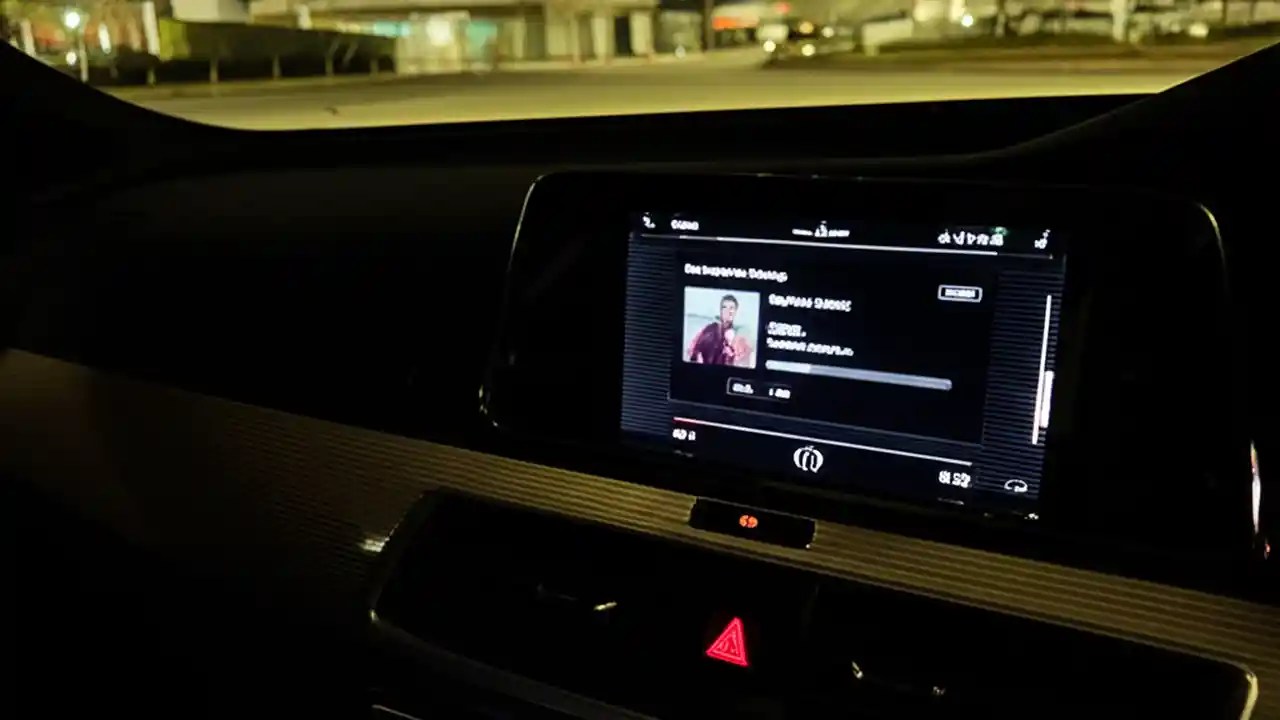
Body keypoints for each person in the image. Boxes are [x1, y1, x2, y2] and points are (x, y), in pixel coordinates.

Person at [688, 294, 753, 367]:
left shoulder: (740, 335)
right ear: (720, 310)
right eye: (724, 307)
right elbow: (695, 350)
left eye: (731, 308)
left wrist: (731, 351)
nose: (728, 311)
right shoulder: (709, 329)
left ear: (735, 311)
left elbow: (742, 363)